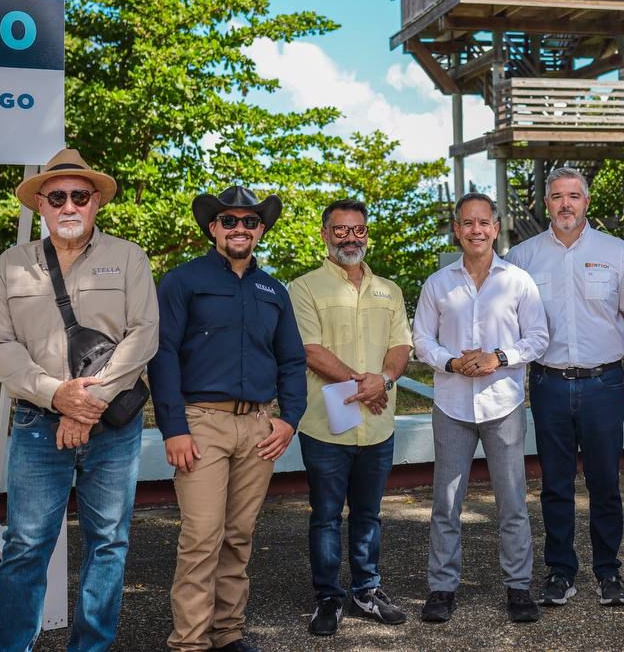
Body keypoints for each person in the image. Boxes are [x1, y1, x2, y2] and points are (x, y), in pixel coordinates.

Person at [0, 148, 159, 652]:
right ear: (40, 204)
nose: (69, 205)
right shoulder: (10, 265)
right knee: (25, 547)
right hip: (38, 424)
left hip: (113, 426)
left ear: (96, 201)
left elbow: (144, 335)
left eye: (80, 195)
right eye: (57, 196)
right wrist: (56, 395)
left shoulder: (129, 257)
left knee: (108, 546)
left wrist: (90, 400)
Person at [149, 186, 308, 652]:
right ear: (213, 228)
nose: (240, 228)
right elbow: (162, 355)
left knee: (238, 537)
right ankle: (190, 642)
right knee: (201, 537)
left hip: (259, 428)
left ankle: (228, 634)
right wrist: (174, 427)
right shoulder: (181, 281)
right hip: (201, 425)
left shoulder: (273, 290)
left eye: (250, 222)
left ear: (261, 231)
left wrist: (289, 419)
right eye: (230, 221)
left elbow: (292, 361)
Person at [412, 192, 550, 625]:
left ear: (496, 227)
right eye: (467, 223)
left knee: (512, 501)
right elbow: (421, 340)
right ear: (457, 229)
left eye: (483, 222)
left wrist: (498, 358)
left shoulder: (518, 281)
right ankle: (442, 587)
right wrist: (452, 361)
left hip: (503, 404)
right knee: (445, 503)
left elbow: (538, 338)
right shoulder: (437, 283)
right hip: (452, 404)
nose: (476, 230)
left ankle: (518, 587)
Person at [506, 167, 624, 608]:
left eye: (574, 196)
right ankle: (560, 571)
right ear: (546, 204)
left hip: (604, 383)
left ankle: (609, 572)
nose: (566, 204)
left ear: (587, 202)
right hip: (549, 384)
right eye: (557, 196)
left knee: (605, 482)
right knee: (556, 484)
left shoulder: (616, 252)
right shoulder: (522, 257)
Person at [288, 199, 413, 636]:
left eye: (358, 230)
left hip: (378, 424)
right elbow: (310, 349)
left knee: (369, 513)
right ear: (324, 234)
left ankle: (367, 589)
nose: (350, 237)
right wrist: (367, 384)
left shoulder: (389, 290)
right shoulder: (303, 288)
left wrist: (385, 378)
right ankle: (328, 596)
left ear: (366, 233)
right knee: (325, 514)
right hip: (325, 425)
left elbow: (401, 346)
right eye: (340, 230)